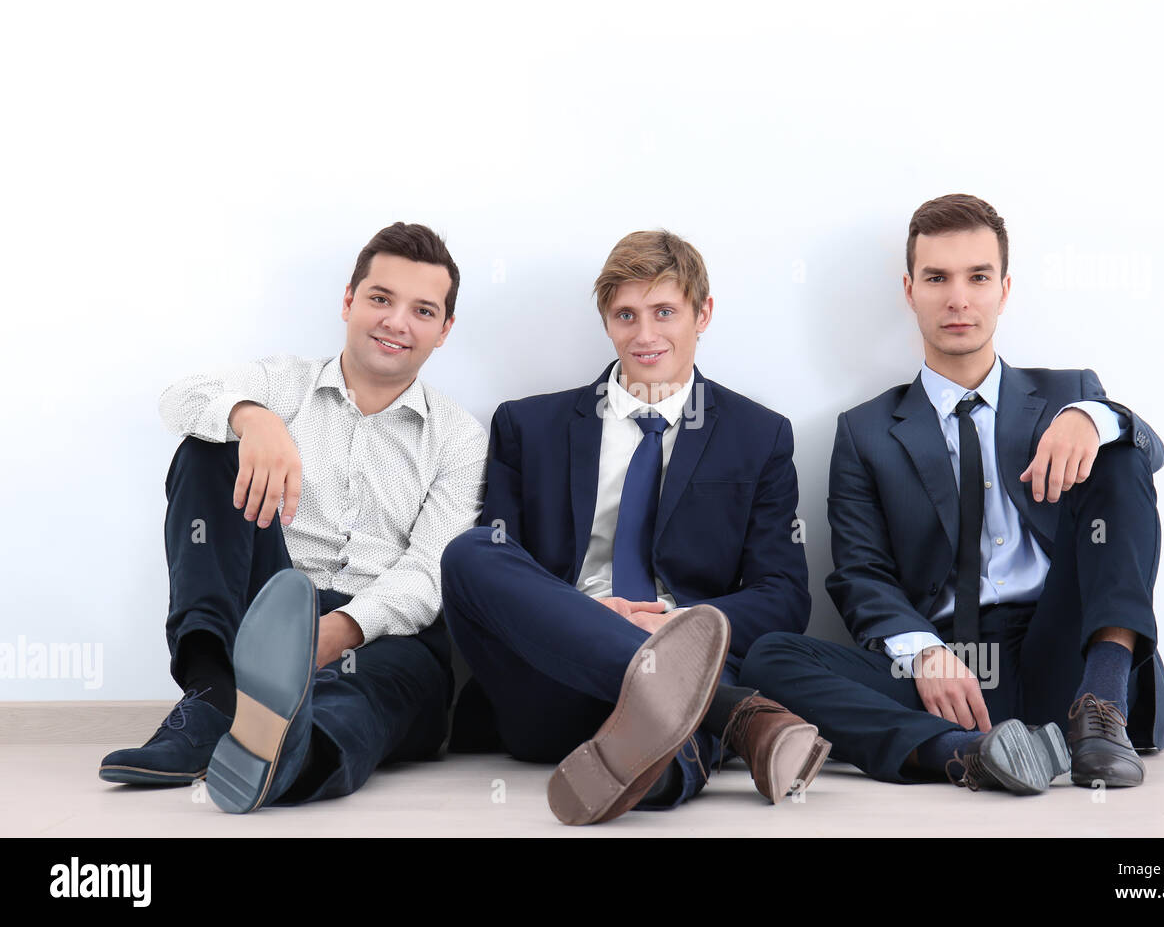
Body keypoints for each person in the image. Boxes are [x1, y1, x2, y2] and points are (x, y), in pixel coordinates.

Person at [742, 194, 1164, 795]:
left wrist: (1097, 417)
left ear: (1004, 288)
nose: (958, 299)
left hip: (1063, 653)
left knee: (1120, 453)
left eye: (978, 277)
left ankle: (1101, 711)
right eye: (937, 278)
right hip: (947, 674)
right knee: (770, 658)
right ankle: (969, 754)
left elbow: (1147, 460)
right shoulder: (865, 431)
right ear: (909, 289)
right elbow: (861, 575)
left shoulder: (1067, 391)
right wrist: (923, 654)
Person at [440, 229, 828, 825]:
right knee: (469, 552)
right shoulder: (528, 426)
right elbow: (502, 576)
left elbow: (783, 596)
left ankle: (660, 754)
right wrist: (591, 617)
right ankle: (730, 717)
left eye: (664, 312)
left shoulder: (760, 436)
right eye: (626, 314)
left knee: (666, 722)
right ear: (606, 321)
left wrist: (676, 627)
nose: (645, 336)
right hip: (554, 675)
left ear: (704, 314)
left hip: (686, 660)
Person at [99, 223, 488, 813]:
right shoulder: (285, 383)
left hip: (384, 635)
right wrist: (254, 419)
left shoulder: (459, 436)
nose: (396, 322)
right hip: (268, 612)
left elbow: (431, 572)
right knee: (206, 446)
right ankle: (214, 695)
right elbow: (178, 396)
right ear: (349, 301)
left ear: (444, 330)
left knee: (362, 702)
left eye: (422, 310)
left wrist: (339, 632)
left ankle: (289, 758)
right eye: (381, 299)